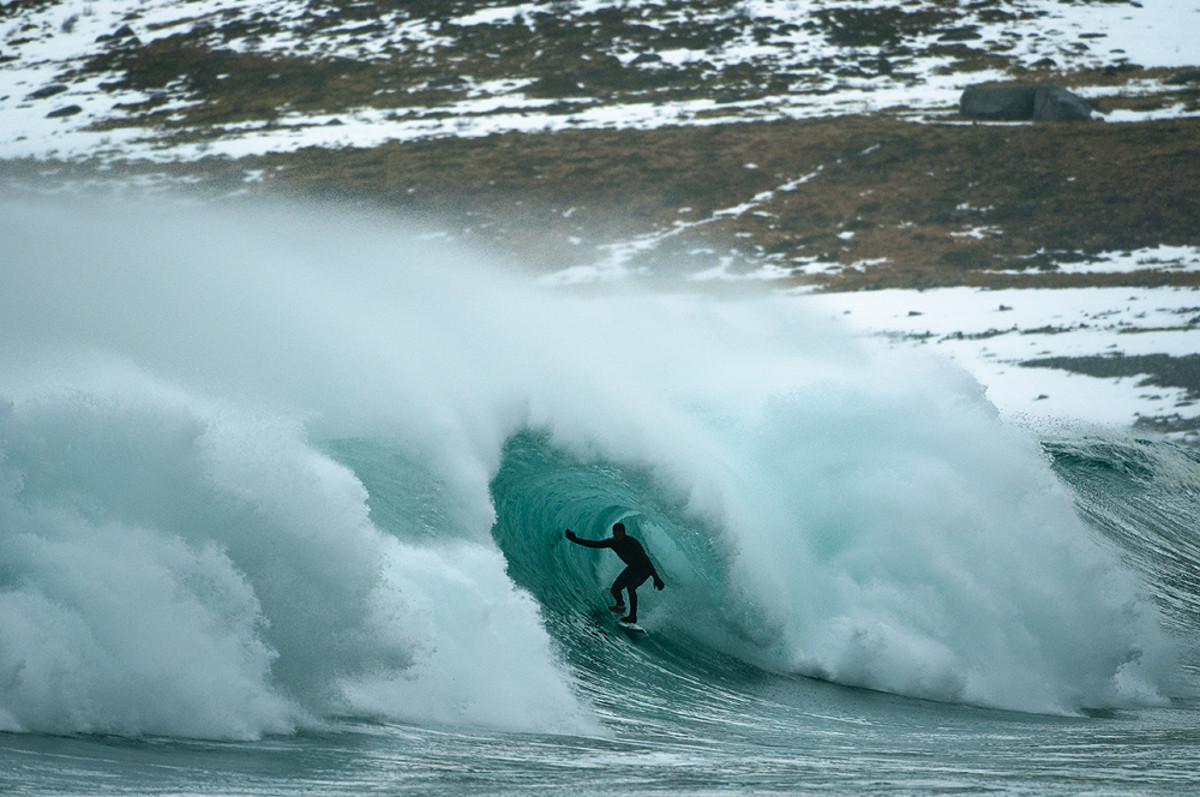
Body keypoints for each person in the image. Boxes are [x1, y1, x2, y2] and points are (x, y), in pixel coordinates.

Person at [565, 522, 665, 624]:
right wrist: (575, 539)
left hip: (644, 568)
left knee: (631, 587)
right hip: (632, 568)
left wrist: (656, 578)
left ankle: (633, 617)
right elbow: (594, 544)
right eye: (615, 532)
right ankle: (620, 606)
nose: (616, 535)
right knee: (615, 589)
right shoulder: (613, 542)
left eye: (619, 532)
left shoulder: (632, 542)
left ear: (623, 532)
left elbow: (646, 560)